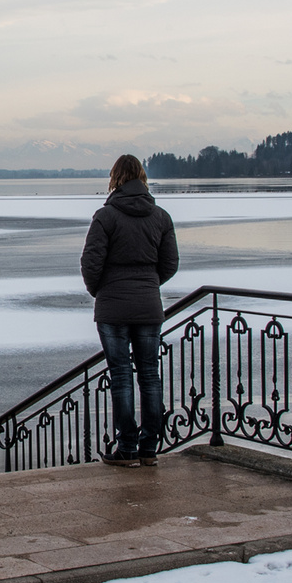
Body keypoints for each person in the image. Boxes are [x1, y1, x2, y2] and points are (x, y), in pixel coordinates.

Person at [80, 154, 179, 468]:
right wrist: (149, 284)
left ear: (115, 179)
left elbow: (90, 264)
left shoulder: (105, 217)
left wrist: (102, 290)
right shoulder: (161, 217)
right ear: (142, 177)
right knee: (150, 376)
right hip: (148, 306)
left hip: (113, 308)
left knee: (121, 376)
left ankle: (127, 448)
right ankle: (150, 447)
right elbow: (170, 264)